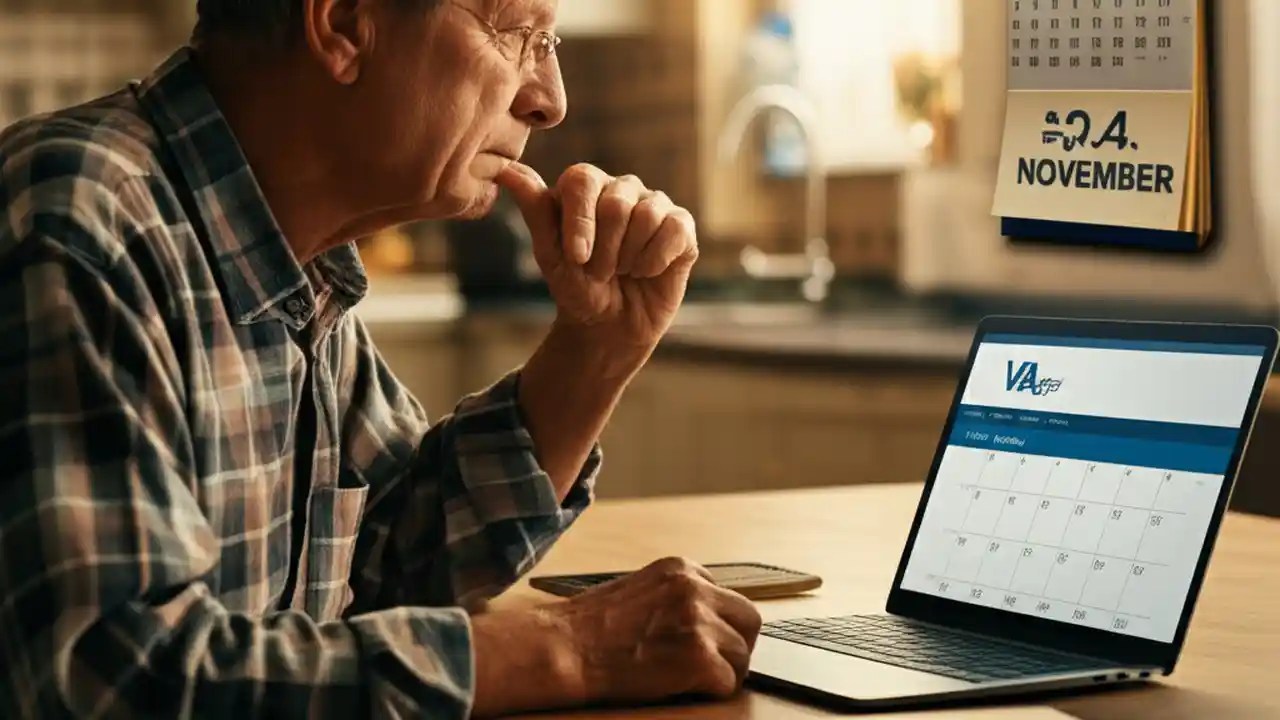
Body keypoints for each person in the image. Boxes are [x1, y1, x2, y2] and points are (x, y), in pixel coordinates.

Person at [0, 0, 762, 717]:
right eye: (516, 30)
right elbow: (113, 680)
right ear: (342, 25)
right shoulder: (81, 221)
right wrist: (572, 650)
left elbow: (399, 563)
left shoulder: (297, 260)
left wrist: (598, 346)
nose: (549, 98)